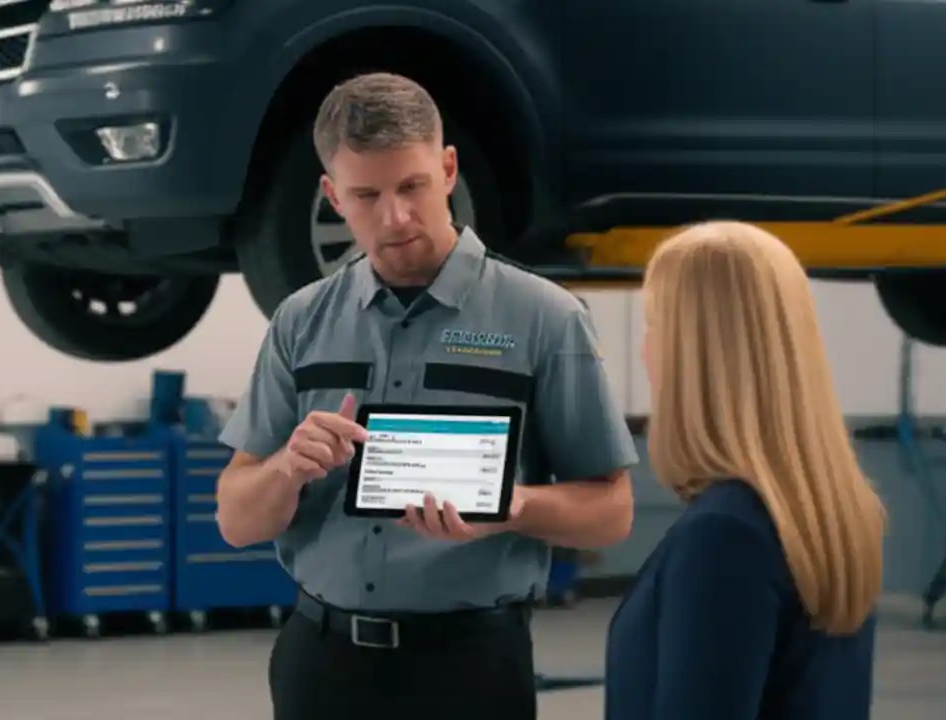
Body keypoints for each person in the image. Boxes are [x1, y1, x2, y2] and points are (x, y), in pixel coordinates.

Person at [215, 71, 640, 720]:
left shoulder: (545, 319)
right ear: (332, 196)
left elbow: (612, 511)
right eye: (366, 195)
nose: (395, 217)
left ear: (447, 170)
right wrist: (285, 469)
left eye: (411, 186)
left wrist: (512, 507)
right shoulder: (300, 321)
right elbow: (236, 521)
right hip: (321, 664)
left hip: (469, 670)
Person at [604, 221, 887, 720]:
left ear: (696, 354)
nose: (645, 348)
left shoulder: (722, 535)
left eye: (655, 323)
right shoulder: (826, 515)